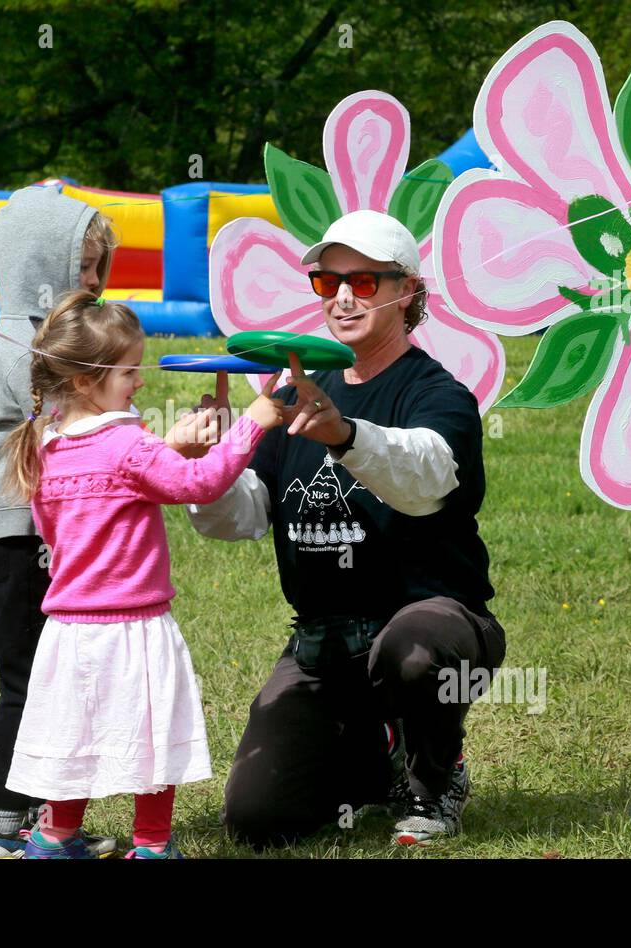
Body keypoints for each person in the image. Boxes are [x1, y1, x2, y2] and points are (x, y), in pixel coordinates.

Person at [185, 208, 506, 848]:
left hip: (430, 623)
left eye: (363, 281)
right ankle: (376, 756)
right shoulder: (292, 392)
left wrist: (347, 435)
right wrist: (209, 470)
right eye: (327, 283)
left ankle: (435, 780)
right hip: (323, 644)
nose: (342, 297)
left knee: (413, 651)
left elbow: (427, 477)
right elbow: (247, 514)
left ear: (406, 291)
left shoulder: (438, 393)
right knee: (258, 820)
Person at [0, 290, 285, 858]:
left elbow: (110, 487)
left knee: (69, 739)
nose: (141, 382)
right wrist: (252, 424)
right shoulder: (128, 445)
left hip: (68, 631)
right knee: (150, 736)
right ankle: (152, 846)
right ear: (86, 381)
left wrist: (170, 443)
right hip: (133, 624)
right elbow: (199, 485)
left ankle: (54, 838)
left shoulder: (47, 447)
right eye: (130, 371)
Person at [0, 186, 120, 858]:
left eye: (97, 265)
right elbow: (81, 425)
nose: (91, 279)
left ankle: (52, 825)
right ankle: (4, 828)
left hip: (29, 532)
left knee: (50, 679)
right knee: (28, 679)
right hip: (12, 536)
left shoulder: (43, 338)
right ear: (37, 261)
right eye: (80, 263)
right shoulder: (28, 341)